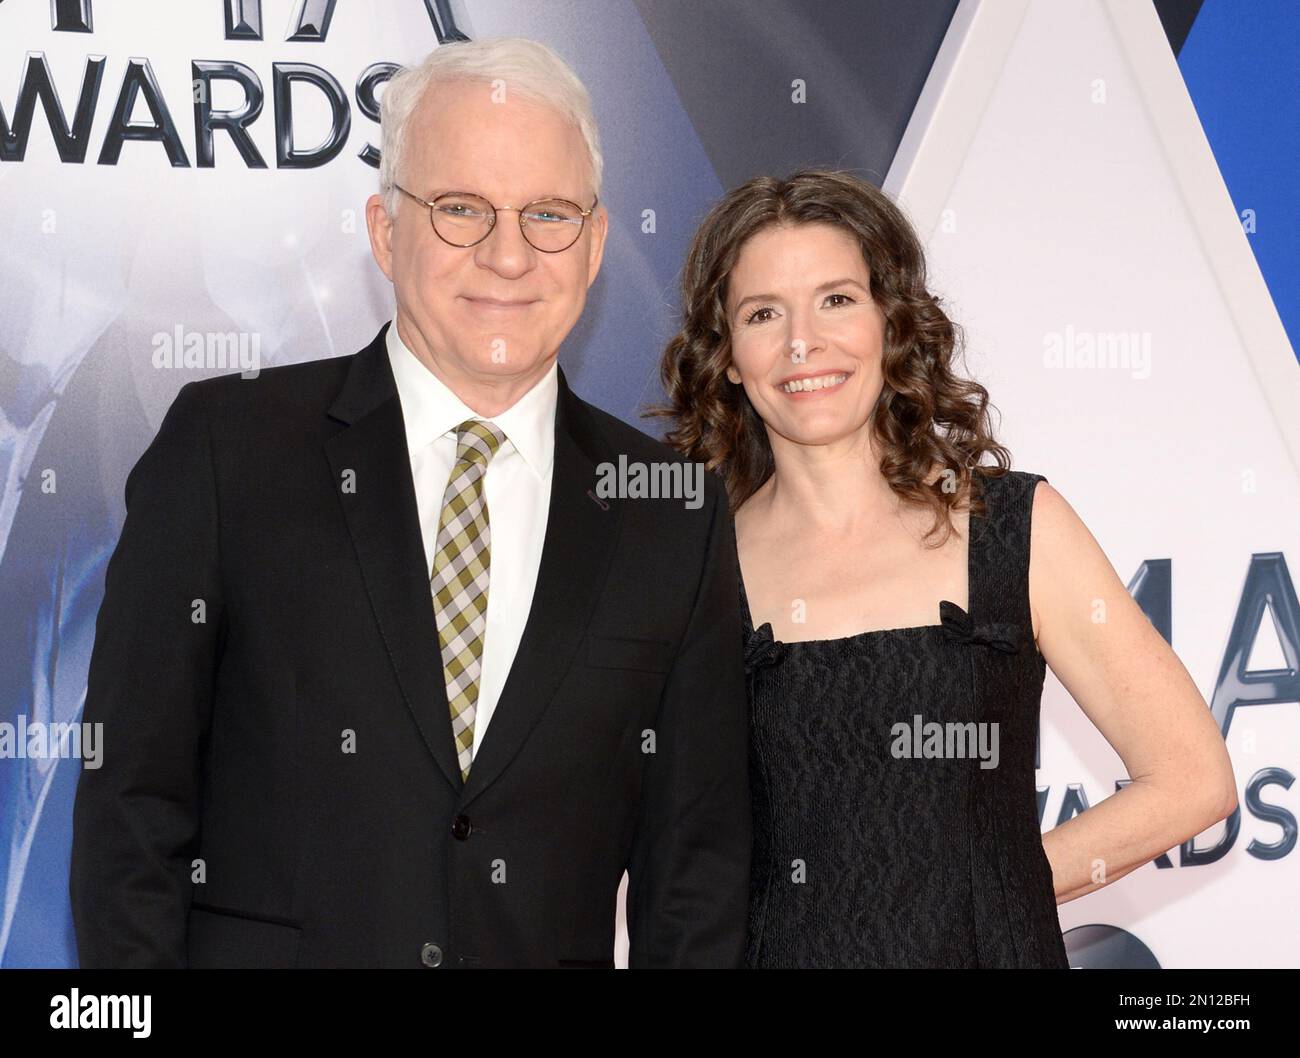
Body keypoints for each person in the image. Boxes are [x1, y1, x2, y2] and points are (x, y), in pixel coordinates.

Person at [69, 37, 750, 969]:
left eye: (547, 214)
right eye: (461, 209)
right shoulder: (229, 448)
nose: (508, 255)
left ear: (594, 246)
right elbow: (129, 816)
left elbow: (695, 882)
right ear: (386, 229)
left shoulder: (672, 511)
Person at [655, 168, 1238, 968]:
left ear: (890, 322)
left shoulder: (1013, 528)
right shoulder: (692, 570)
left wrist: (991, 891)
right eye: (763, 314)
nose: (802, 343)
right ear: (726, 356)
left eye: (836, 299)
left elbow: (1192, 780)